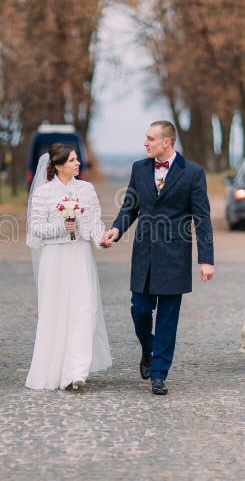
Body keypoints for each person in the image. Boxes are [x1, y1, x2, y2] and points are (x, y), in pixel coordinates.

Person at [100, 121, 214, 396]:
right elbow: (130, 207)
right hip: (144, 253)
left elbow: (202, 218)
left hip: (175, 254)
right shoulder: (139, 169)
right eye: (146, 138)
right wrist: (116, 230)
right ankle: (148, 348)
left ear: (167, 142)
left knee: (167, 317)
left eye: (150, 138)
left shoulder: (193, 173)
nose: (145, 143)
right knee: (139, 309)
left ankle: (159, 373)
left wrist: (206, 259)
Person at [25, 143, 112, 390]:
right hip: (54, 258)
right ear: (60, 165)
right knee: (56, 311)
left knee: (84, 309)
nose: (77, 164)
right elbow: (36, 229)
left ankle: (77, 371)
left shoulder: (86, 190)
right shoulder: (43, 193)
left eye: (77, 160)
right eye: (73, 160)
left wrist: (101, 240)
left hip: (80, 256)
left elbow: (95, 223)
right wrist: (62, 227)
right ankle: (55, 368)